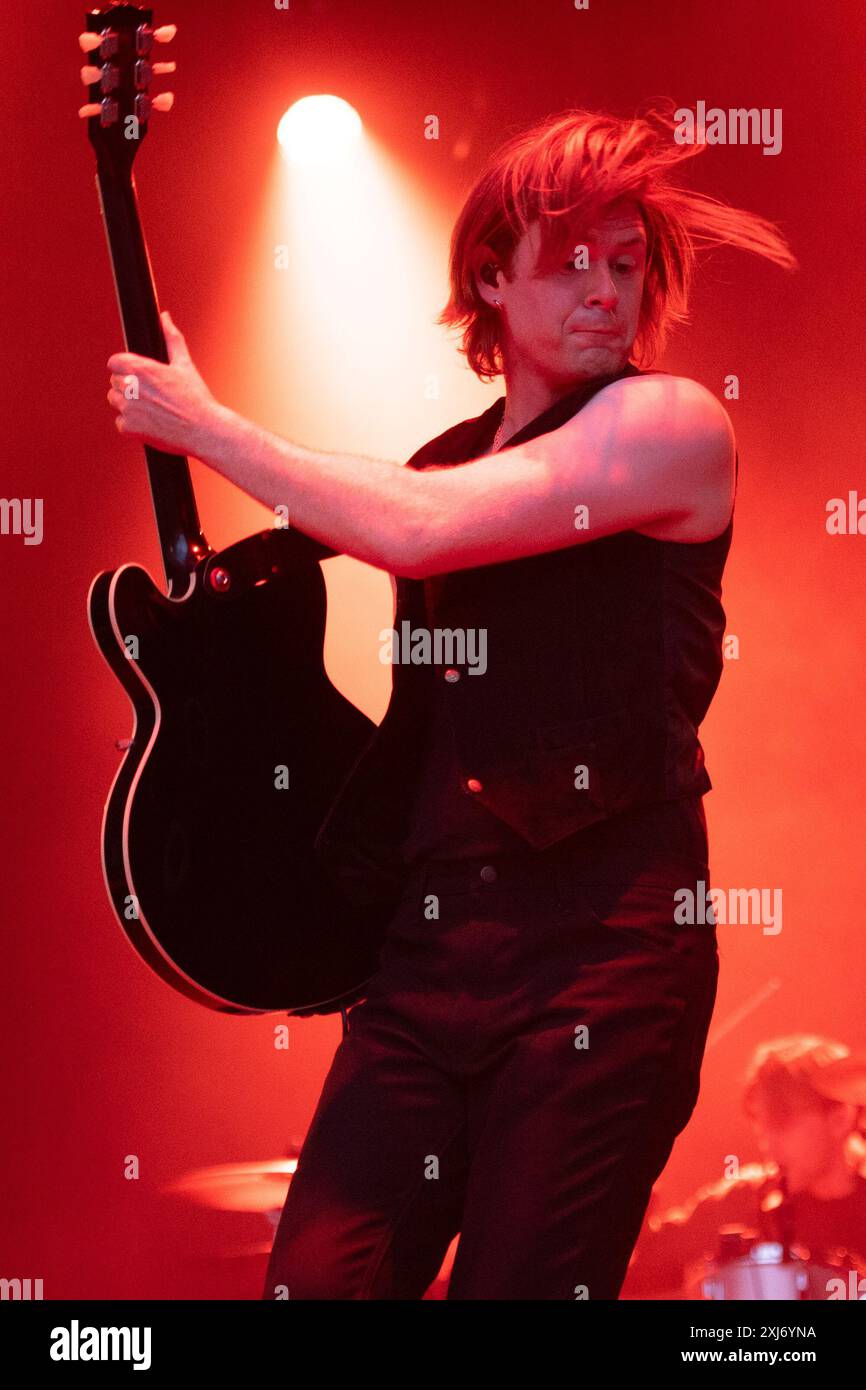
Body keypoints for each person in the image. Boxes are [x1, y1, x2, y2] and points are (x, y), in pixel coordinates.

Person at [105, 106, 796, 1299]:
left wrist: (208, 429)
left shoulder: (669, 425)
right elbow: (390, 559)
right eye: (570, 260)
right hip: (423, 969)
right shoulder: (437, 462)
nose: (604, 292)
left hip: (604, 966)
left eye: (625, 264)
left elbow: (414, 526)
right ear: (491, 273)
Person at [621, 1034, 866, 1299]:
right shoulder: (739, 1202)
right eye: (762, 1126)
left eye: (781, 1122)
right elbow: (631, 1280)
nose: (767, 1144)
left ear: (841, 1119)